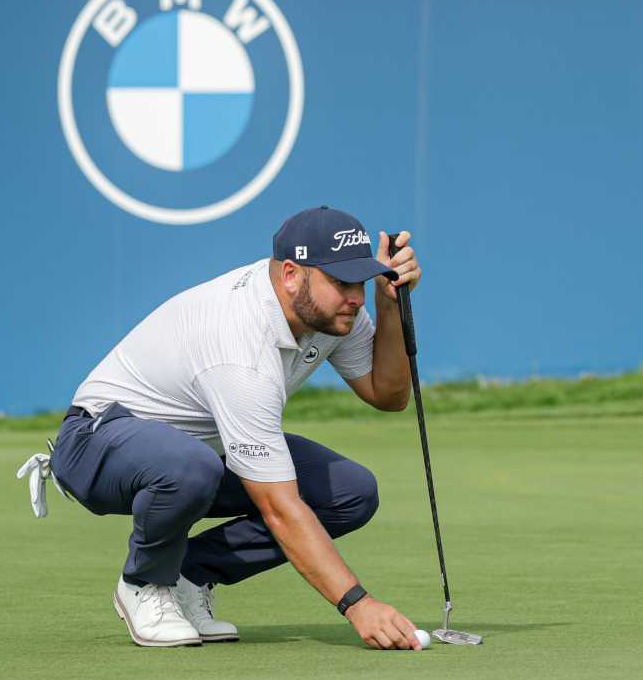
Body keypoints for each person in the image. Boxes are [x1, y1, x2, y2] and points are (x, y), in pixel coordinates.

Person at [42, 210, 425, 650]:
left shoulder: (334, 312)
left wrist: (389, 303)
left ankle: (190, 573)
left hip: (200, 449)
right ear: (290, 275)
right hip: (97, 444)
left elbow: (387, 394)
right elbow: (280, 509)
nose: (354, 298)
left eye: (360, 282)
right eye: (341, 283)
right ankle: (145, 583)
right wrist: (359, 604)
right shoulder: (240, 342)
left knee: (351, 493)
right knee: (193, 468)